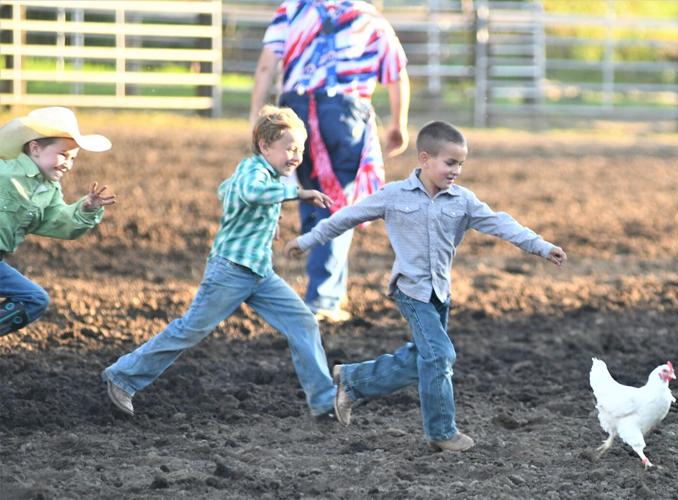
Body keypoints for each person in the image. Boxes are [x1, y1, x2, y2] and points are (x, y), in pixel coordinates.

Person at [284, 121, 568, 451]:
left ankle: (352, 381)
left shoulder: (462, 201)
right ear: (425, 159)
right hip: (411, 291)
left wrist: (541, 246)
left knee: (420, 359)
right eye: (450, 163)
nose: (456, 171)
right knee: (440, 355)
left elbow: (501, 224)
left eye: (461, 164)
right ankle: (442, 432)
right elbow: (346, 217)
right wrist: (306, 241)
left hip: (439, 294)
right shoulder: (394, 195)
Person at [101, 106, 338, 418]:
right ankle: (123, 376)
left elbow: (226, 190)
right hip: (230, 271)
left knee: (303, 321)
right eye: (290, 149)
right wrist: (298, 193)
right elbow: (249, 191)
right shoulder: (253, 170)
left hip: (259, 273)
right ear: (265, 146)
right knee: (190, 330)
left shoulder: (266, 176)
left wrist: (267, 219)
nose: (297, 156)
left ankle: (325, 402)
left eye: (301, 150)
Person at [250, 0, 411, 323]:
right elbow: (396, 74)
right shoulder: (369, 18)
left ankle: (328, 288)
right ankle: (323, 297)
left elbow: (266, 66)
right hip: (345, 114)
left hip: (295, 112)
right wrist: (398, 123)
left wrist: (257, 117)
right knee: (337, 203)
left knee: (312, 195)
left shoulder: (292, 9)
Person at [0, 106, 116, 338]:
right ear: (35, 148)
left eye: (73, 158)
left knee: (35, 299)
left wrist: (86, 209)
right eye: (63, 154)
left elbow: (60, 221)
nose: (68, 164)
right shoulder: (5, 172)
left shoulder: (48, 191)